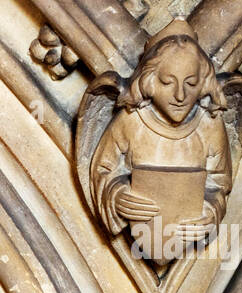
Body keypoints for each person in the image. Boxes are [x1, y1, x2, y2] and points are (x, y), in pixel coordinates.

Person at [90, 19, 231, 269]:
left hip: (184, 234)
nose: (179, 95)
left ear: (204, 83)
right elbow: (102, 170)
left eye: (191, 83)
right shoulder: (130, 121)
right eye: (168, 82)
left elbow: (220, 181)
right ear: (150, 81)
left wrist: (210, 212)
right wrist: (117, 195)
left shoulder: (210, 125)